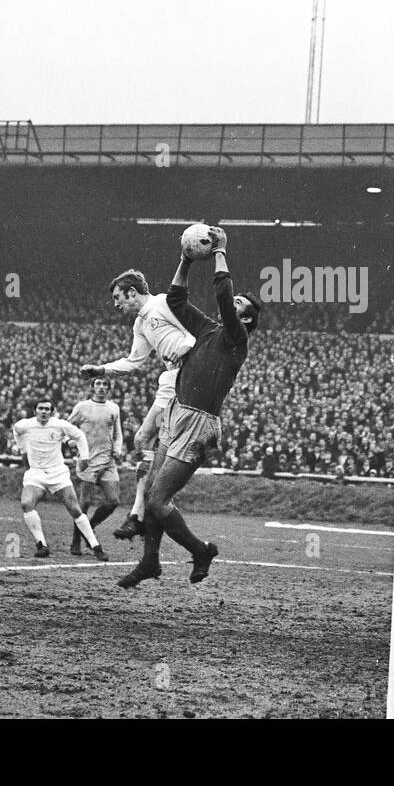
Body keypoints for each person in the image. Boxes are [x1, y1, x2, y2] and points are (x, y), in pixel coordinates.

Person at [118, 226, 262, 588]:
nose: (235, 303)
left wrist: (220, 252)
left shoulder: (235, 337)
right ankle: (150, 561)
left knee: (158, 500)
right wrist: (184, 259)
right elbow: (177, 300)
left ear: (245, 318)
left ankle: (200, 551)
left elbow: (224, 293)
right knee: (152, 494)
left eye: (241, 304)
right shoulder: (208, 330)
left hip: (198, 423)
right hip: (176, 412)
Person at [81, 268, 196, 542]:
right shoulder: (140, 324)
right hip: (171, 378)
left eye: (118, 297)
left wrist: (187, 348)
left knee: (158, 445)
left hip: (190, 374)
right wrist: (102, 369)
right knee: (142, 439)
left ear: (132, 292)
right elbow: (134, 361)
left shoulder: (164, 303)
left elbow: (195, 331)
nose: (116, 304)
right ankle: (139, 514)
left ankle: (143, 515)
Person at [12, 398, 107, 560]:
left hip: (58, 473)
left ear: (51, 412)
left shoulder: (59, 424)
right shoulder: (25, 425)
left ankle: (96, 546)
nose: (44, 412)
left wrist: (84, 457)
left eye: (47, 409)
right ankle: (41, 544)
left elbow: (79, 436)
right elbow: (16, 430)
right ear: (34, 411)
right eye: (40, 409)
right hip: (36, 473)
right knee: (26, 503)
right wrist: (22, 448)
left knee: (75, 509)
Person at [67, 378, 124, 555]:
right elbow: (67, 429)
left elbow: (118, 433)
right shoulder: (82, 407)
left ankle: (89, 528)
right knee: (84, 503)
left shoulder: (113, 408)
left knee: (113, 500)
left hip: (108, 460)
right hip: (88, 461)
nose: (101, 387)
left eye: (105, 384)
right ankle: (76, 542)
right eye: (98, 384)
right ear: (92, 387)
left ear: (109, 388)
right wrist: (72, 443)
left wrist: (118, 448)